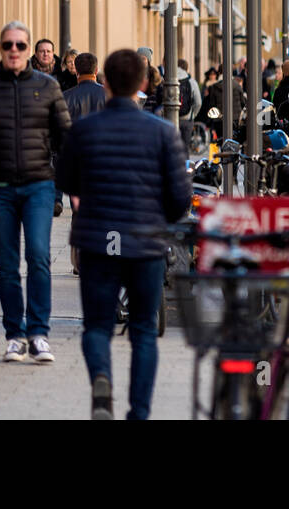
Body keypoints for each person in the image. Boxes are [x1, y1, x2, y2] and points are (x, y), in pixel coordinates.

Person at [58, 48, 191, 419]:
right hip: (145, 242)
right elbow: (180, 199)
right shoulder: (164, 132)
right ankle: (139, 412)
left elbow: (66, 181)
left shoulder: (84, 130)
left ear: (105, 83)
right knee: (144, 331)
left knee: (97, 326)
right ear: (144, 84)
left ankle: (102, 381)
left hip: (97, 240)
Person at [0, 21, 71, 363]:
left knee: (38, 256)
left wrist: (72, 185)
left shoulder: (49, 87)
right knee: (6, 265)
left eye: (21, 45)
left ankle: (39, 333)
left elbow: (66, 140)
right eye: (9, 45)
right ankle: (14, 335)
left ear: (29, 49)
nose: (15, 51)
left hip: (38, 185)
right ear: (1, 48)